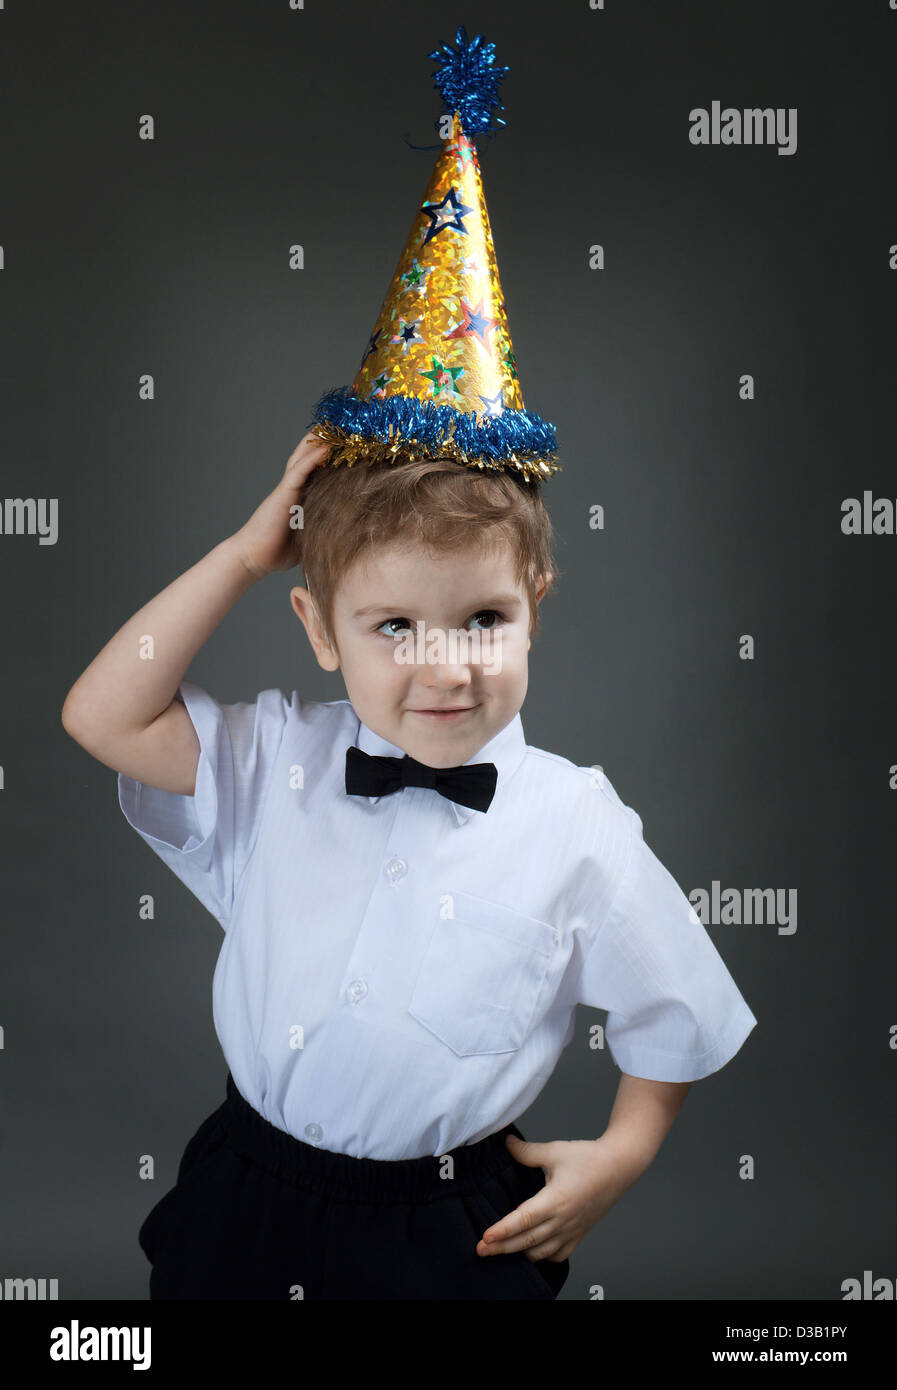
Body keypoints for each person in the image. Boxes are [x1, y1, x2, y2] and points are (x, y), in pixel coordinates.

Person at [61, 431, 757, 1300]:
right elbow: (102, 716)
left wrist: (622, 1155)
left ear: (534, 609)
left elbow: (676, 1007)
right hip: (248, 1192)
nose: (446, 669)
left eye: (483, 621)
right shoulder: (272, 756)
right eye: (394, 626)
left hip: (448, 1228)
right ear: (319, 629)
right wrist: (244, 557)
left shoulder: (578, 823)